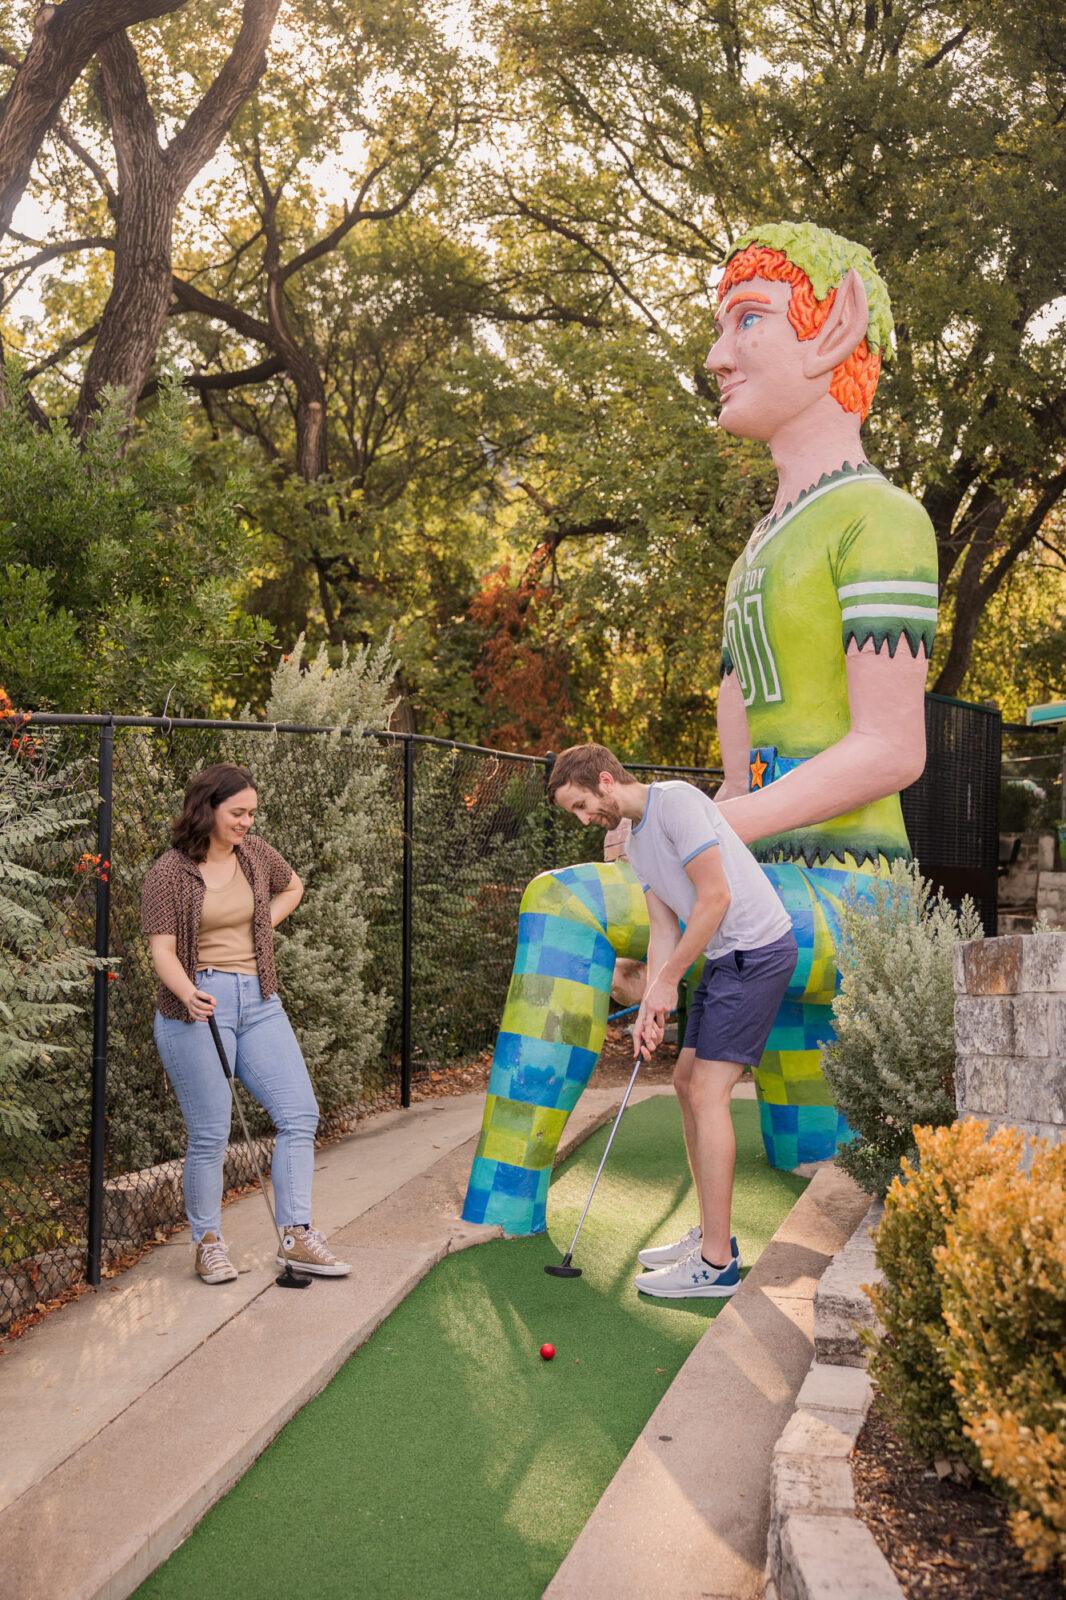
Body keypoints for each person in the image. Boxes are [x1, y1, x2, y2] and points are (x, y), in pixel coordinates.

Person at [551, 743, 797, 1299]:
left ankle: (715, 1266)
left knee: (708, 1093)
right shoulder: (635, 843)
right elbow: (664, 930)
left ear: (607, 781)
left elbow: (714, 899)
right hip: (722, 957)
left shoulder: (678, 803)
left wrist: (666, 984)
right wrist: (649, 1007)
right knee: (685, 1082)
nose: (585, 819)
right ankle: (716, 1235)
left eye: (583, 805)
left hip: (756, 952)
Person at [141, 763, 350, 1284]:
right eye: (238, 813)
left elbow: (293, 887)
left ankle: (297, 1237)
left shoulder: (255, 855)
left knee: (300, 1114)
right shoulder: (170, 871)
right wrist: (188, 992)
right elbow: (161, 951)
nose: (246, 823)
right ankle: (208, 1243)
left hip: (259, 1001)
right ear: (208, 809)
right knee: (211, 1133)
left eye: (252, 814)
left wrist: (262, 926)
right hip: (199, 1005)